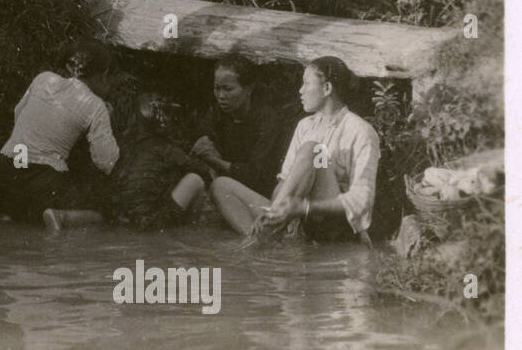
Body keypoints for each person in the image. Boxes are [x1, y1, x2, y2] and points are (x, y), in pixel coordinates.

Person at [210, 56, 380, 245]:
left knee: (313, 150)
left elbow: (361, 201)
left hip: (335, 225)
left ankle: (262, 235)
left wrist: (304, 207)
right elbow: (284, 184)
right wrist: (281, 209)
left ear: (327, 89)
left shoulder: (360, 130)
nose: (300, 91)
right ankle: (260, 239)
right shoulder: (305, 126)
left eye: (306, 84)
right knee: (221, 186)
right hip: (295, 218)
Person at [0, 40, 119, 230]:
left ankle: (12, 215)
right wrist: (108, 120)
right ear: (104, 76)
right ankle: (62, 217)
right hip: (42, 183)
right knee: (105, 210)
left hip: (3, 176)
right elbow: (106, 162)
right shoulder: (95, 105)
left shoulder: (43, 79)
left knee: (22, 204)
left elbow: (18, 113)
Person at [111, 93, 212, 232]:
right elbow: (203, 171)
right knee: (195, 180)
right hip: (151, 222)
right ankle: (190, 230)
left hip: (125, 220)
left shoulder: (125, 145)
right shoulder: (164, 148)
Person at [190, 54, 287, 198]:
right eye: (217, 88)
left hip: (257, 193)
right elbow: (201, 145)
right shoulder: (217, 113)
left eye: (228, 89)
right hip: (223, 185)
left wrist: (215, 161)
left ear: (249, 89)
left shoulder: (267, 120)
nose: (221, 96)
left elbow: (257, 175)